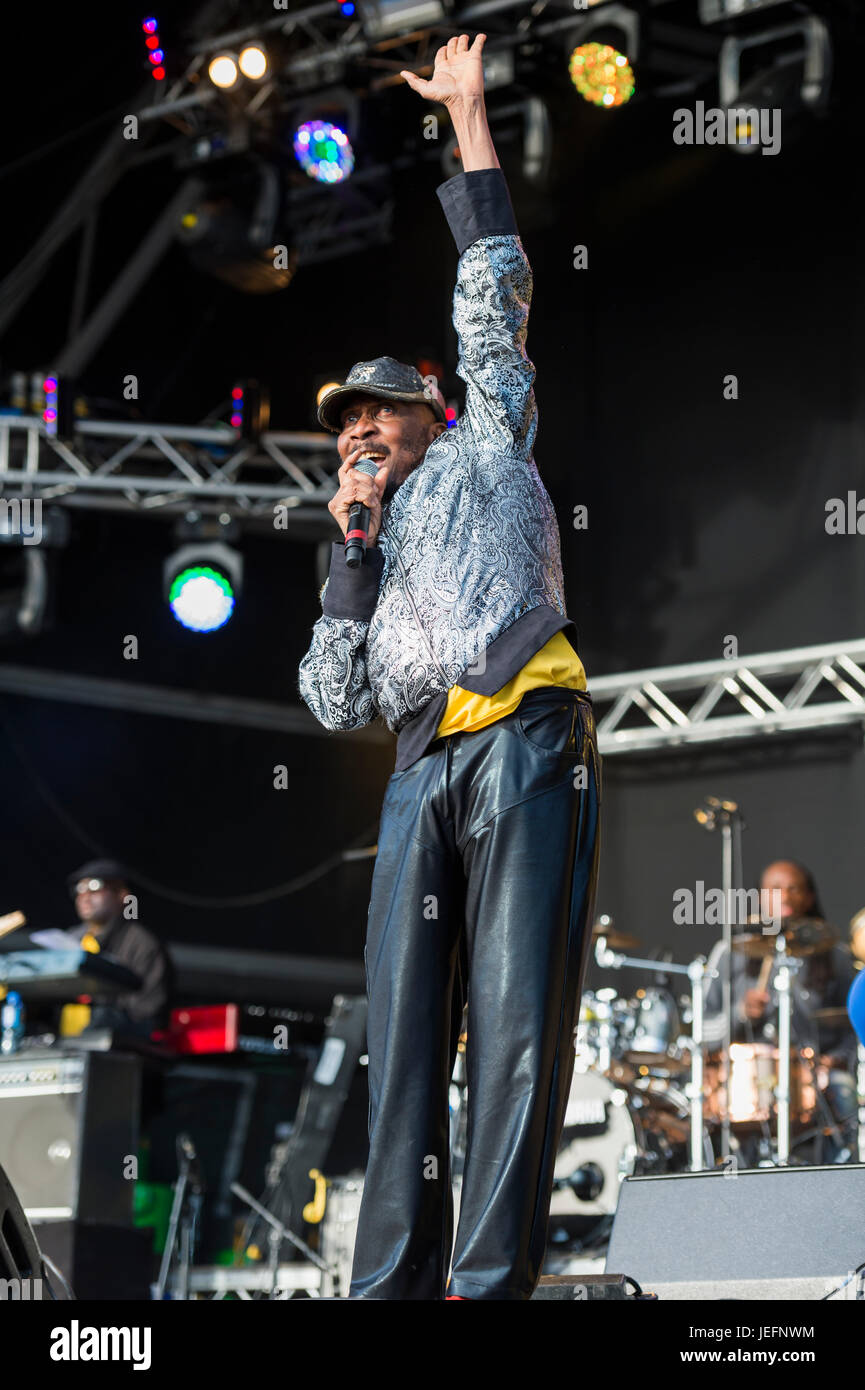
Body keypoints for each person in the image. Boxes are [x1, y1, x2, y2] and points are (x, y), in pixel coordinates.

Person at [298, 34, 601, 1300]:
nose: (357, 430)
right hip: (419, 768)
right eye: (342, 427)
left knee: (517, 1029)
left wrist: (468, 116)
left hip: (525, 732)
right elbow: (333, 700)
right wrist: (349, 563)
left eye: (375, 410)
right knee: (406, 1049)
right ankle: (387, 1290)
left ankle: (486, 1291)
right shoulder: (360, 528)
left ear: (430, 401)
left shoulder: (488, 437)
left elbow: (493, 279)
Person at [703, 859, 859, 1163]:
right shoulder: (730, 953)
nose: (785, 897)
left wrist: (836, 1059)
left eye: (794, 889)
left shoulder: (835, 957)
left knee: (846, 1093)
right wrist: (739, 1013)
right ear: (761, 896)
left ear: (809, 897)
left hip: (818, 1082)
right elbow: (700, 1030)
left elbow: (855, 1026)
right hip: (743, 1086)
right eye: (775, 889)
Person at [58, 858, 172, 1038]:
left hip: (113, 1043)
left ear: (122, 895)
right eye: (79, 889)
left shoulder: (141, 943)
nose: (85, 896)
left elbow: (148, 1009)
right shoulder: (70, 939)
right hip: (62, 1038)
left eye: (95, 888)